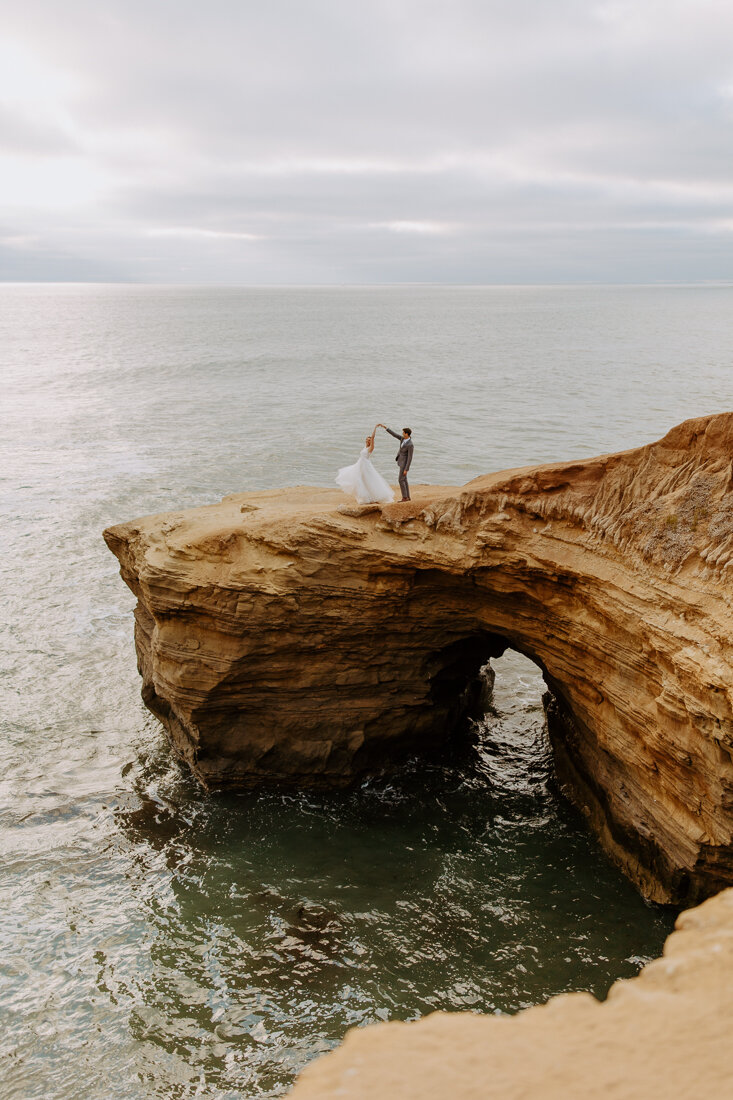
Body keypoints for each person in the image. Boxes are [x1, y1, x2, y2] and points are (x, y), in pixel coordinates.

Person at [335, 426, 395, 505]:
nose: (368, 440)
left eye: (369, 440)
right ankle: (365, 497)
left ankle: (372, 497)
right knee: (360, 480)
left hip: (365, 465)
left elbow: (373, 438)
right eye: (367, 439)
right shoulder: (365, 447)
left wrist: (375, 429)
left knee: (368, 480)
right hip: (360, 464)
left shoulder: (370, 448)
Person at [380, 425, 414, 502]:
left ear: (406, 434)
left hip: (404, 464)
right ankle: (407, 497)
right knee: (404, 480)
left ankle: (404, 497)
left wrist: (406, 469)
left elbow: (410, 458)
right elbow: (394, 435)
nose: (402, 433)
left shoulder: (410, 444)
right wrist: (386, 428)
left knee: (400, 480)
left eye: (403, 432)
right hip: (400, 461)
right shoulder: (402, 439)